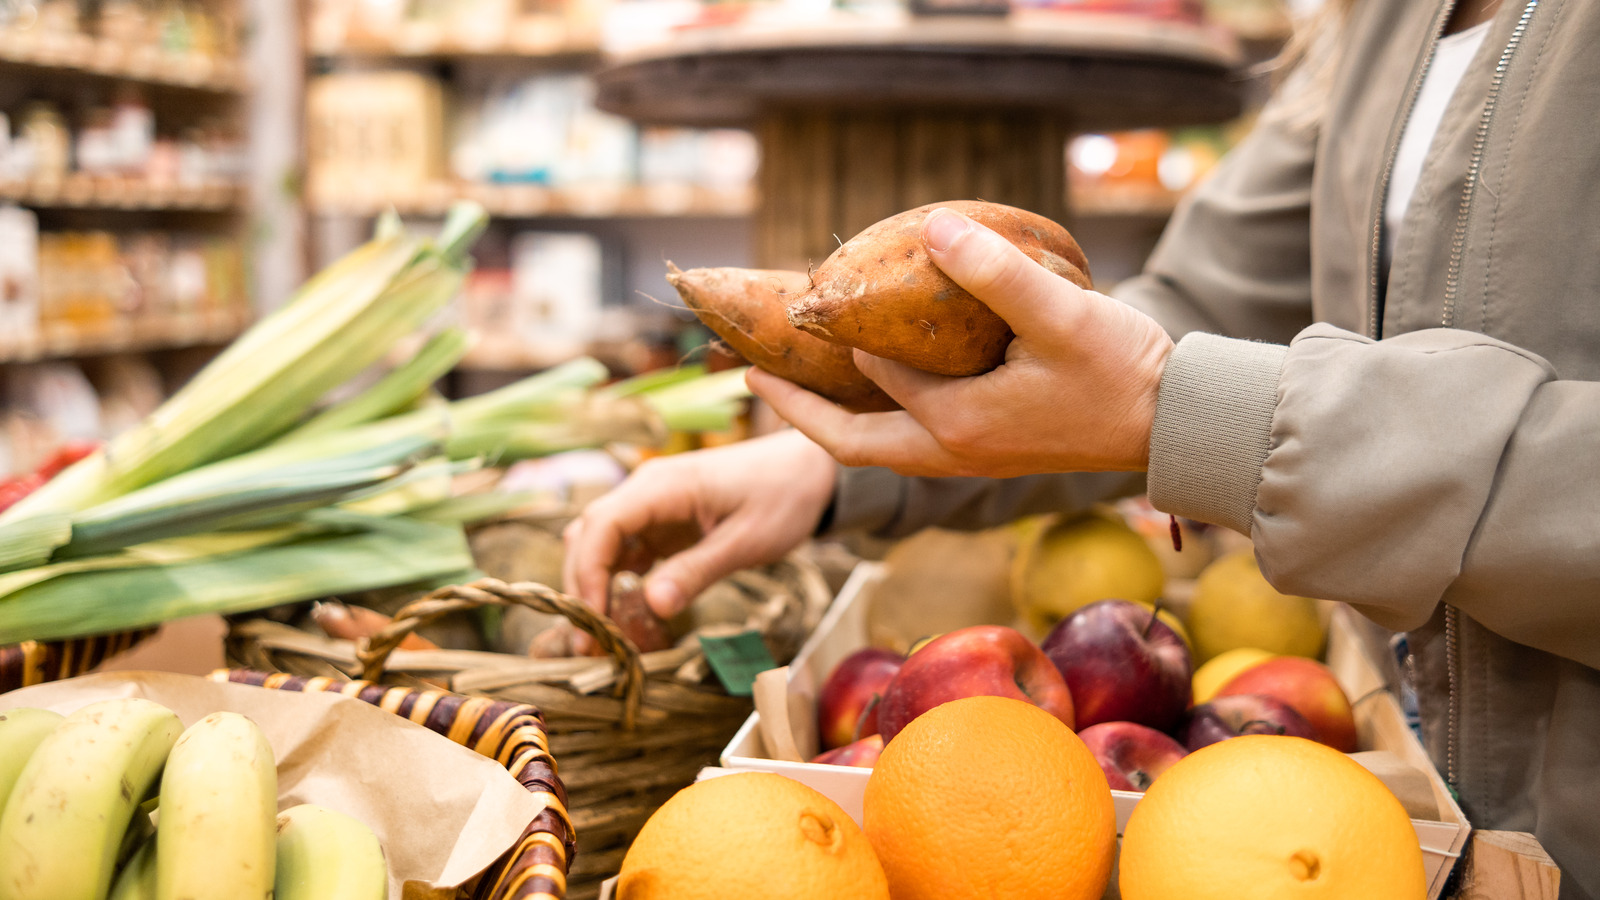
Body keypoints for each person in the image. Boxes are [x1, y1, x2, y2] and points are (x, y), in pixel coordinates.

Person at [564, 0, 1600, 894]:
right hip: (1372, 803)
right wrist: (827, 467)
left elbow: (1176, 379)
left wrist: (1193, 415)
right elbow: (1194, 308)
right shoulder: (1372, 23)